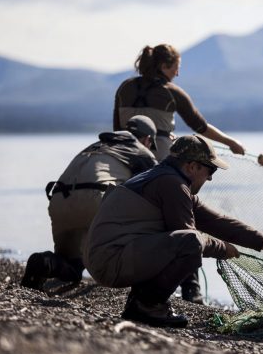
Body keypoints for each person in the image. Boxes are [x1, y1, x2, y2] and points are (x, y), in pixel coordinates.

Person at [84, 134, 263, 328]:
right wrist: (222, 248)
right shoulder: (171, 184)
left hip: (111, 257)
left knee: (187, 241)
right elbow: (188, 239)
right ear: (192, 166)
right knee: (191, 243)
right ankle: (147, 306)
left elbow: (218, 222)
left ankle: (141, 302)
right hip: (110, 262)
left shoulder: (165, 178)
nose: (210, 178)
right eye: (210, 170)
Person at [113, 43, 247, 304]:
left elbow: (118, 127)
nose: (178, 73)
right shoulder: (172, 92)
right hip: (160, 165)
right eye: (176, 67)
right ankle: (191, 288)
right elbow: (200, 126)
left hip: (125, 164)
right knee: (184, 221)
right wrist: (231, 143)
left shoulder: (125, 88)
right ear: (165, 67)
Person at [21, 115, 159, 291]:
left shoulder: (97, 145)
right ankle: (136, 282)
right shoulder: (140, 150)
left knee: (70, 267)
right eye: (150, 144)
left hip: (59, 200)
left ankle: (44, 262)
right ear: (147, 139)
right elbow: (158, 187)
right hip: (94, 199)